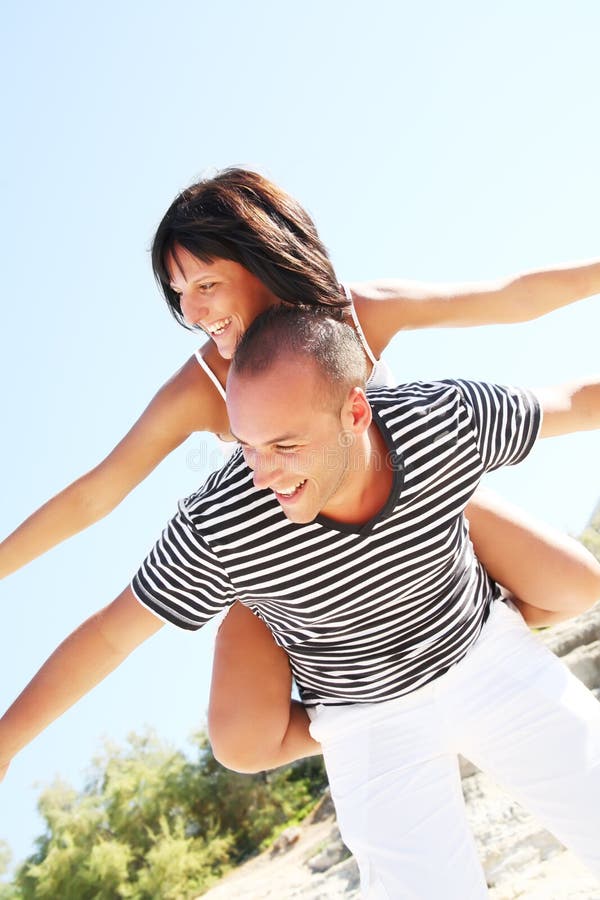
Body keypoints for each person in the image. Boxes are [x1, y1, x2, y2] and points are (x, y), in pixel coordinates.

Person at [2, 168, 600, 773]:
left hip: (415, 529)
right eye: (179, 292)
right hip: (304, 585)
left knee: (576, 586)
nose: (191, 310)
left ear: (261, 258)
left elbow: (513, 296)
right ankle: (368, 713)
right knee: (242, 743)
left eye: (205, 284)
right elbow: (96, 495)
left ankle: (454, 654)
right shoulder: (201, 386)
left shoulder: (355, 314)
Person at [1, 305, 599, 897]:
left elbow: (574, 401)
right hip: (365, 719)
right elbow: (111, 634)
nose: (265, 475)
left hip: (482, 654)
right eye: (248, 446)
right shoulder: (225, 521)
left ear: (355, 412)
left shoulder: (440, 420)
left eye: (285, 444)